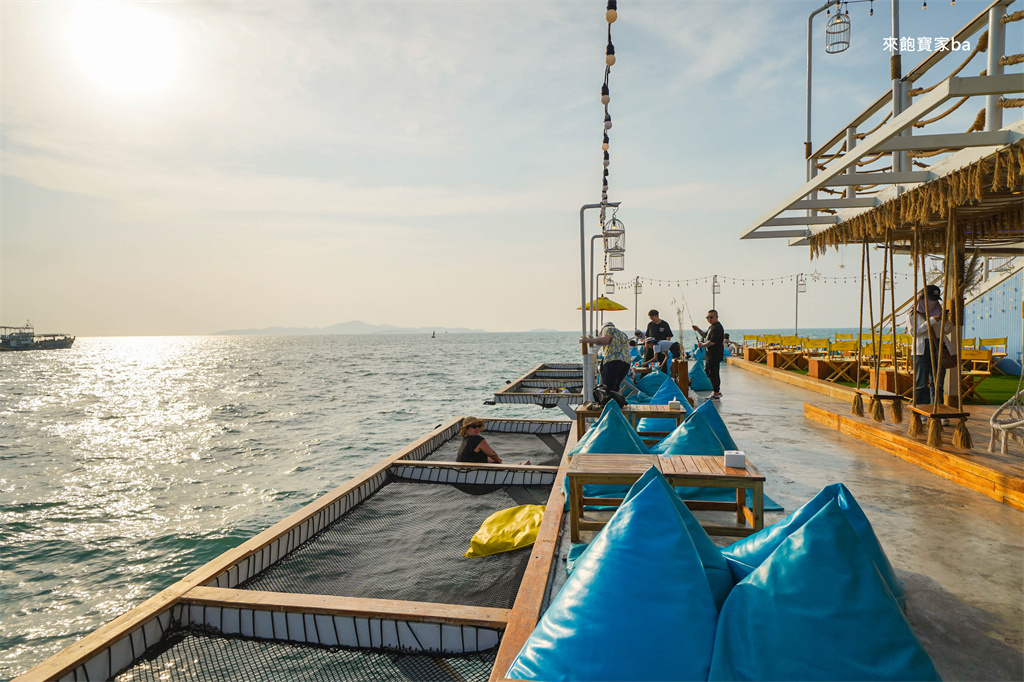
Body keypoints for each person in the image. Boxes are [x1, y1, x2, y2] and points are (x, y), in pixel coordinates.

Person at [906, 284, 949, 406]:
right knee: (921, 383)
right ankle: (921, 411)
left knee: (938, 382)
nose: (933, 303)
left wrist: (946, 321)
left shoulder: (939, 311)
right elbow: (914, 332)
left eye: (935, 300)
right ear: (923, 298)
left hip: (938, 346)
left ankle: (938, 409)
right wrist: (931, 321)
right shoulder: (912, 314)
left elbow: (947, 330)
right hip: (921, 350)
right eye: (931, 300)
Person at [580, 321, 631, 393]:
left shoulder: (607, 329)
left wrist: (588, 340)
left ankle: (608, 403)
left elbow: (605, 340)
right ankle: (615, 403)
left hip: (613, 361)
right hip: (625, 363)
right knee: (615, 388)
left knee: (607, 388)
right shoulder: (622, 334)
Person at [692, 309, 725, 399]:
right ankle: (716, 390)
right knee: (708, 372)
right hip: (709, 354)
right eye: (707, 317)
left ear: (716, 317)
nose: (709, 319)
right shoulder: (711, 327)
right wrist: (698, 330)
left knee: (714, 373)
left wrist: (702, 345)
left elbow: (712, 342)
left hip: (715, 355)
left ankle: (716, 393)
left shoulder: (717, 327)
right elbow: (706, 335)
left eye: (711, 317)